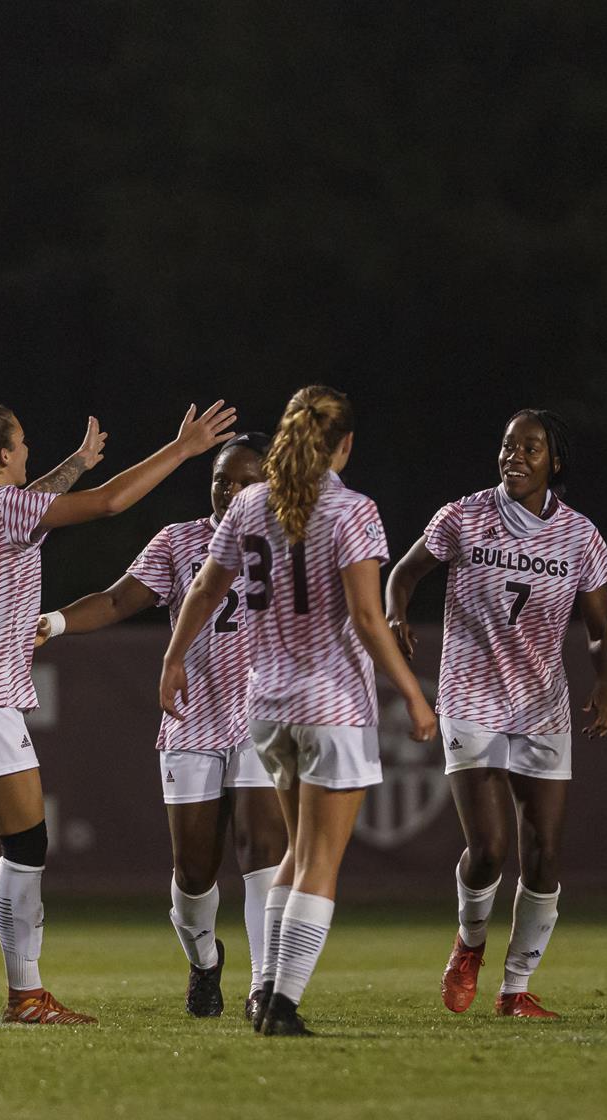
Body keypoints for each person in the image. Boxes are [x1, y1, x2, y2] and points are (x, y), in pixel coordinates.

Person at [0, 397, 240, 1024]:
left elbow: (41, 503)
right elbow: (110, 503)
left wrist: (75, 463)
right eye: (22, 443)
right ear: (3, 455)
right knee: (28, 846)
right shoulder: (5, 509)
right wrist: (182, 449)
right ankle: (25, 996)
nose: (29, 452)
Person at [159, 385, 438, 1036]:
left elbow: (204, 586)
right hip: (329, 702)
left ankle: (262, 986)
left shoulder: (250, 503)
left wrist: (173, 657)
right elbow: (368, 620)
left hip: (264, 704)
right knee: (318, 858)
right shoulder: (350, 510)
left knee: (292, 854)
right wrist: (414, 693)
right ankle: (280, 1002)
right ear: (343, 445)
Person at [35, 434, 287, 1024]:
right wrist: (56, 620)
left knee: (261, 852)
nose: (231, 491)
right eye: (223, 479)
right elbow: (120, 601)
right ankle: (204, 959)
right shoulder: (179, 541)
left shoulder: (294, 543)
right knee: (193, 873)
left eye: (247, 481)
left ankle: (265, 984)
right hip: (192, 717)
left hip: (264, 717)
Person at [384, 410, 607, 1019]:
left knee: (543, 856)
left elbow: (601, 630)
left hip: (542, 704)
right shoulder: (463, 516)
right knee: (488, 848)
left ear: (555, 462)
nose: (514, 455)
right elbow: (403, 575)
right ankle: (469, 945)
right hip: (471, 697)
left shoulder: (580, 537)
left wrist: (606, 682)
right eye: (508, 445)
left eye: (531, 447)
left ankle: (514, 989)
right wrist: (396, 612)